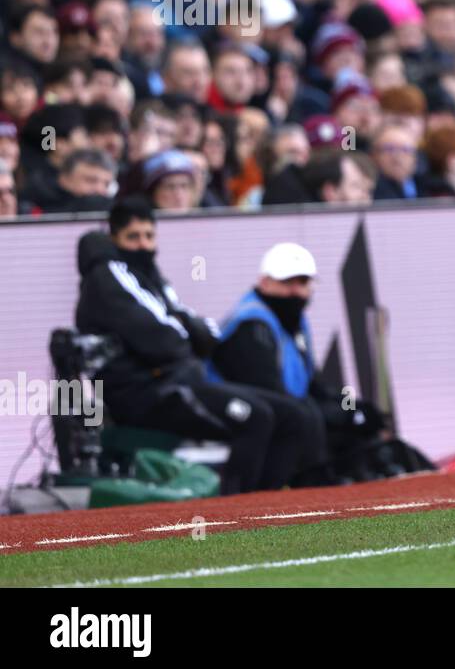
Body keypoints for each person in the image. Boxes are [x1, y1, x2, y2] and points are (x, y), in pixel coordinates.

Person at [74, 197, 323, 494]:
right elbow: (164, 341)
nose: (143, 245)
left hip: (178, 383)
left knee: (291, 416)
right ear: (114, 238)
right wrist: (187, 333)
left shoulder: (150, 276)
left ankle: (269, 504)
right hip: (148, 394)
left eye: (149, 235)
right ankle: (236, 509)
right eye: (133, 237)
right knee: (256, 417)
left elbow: (203, 333)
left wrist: (186, 332)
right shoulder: (109, 277)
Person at [209, 242, 384, 476]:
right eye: (286, 282)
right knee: (307, 417)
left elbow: (315, 384)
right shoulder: (251, 326)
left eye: (302, 282)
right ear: (264, 282)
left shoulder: (294, 322)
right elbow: (271, 394)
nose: (295, 291)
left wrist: (353, 408)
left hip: (291, 413)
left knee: (357, 421)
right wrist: (338, 415)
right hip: (243, 419)